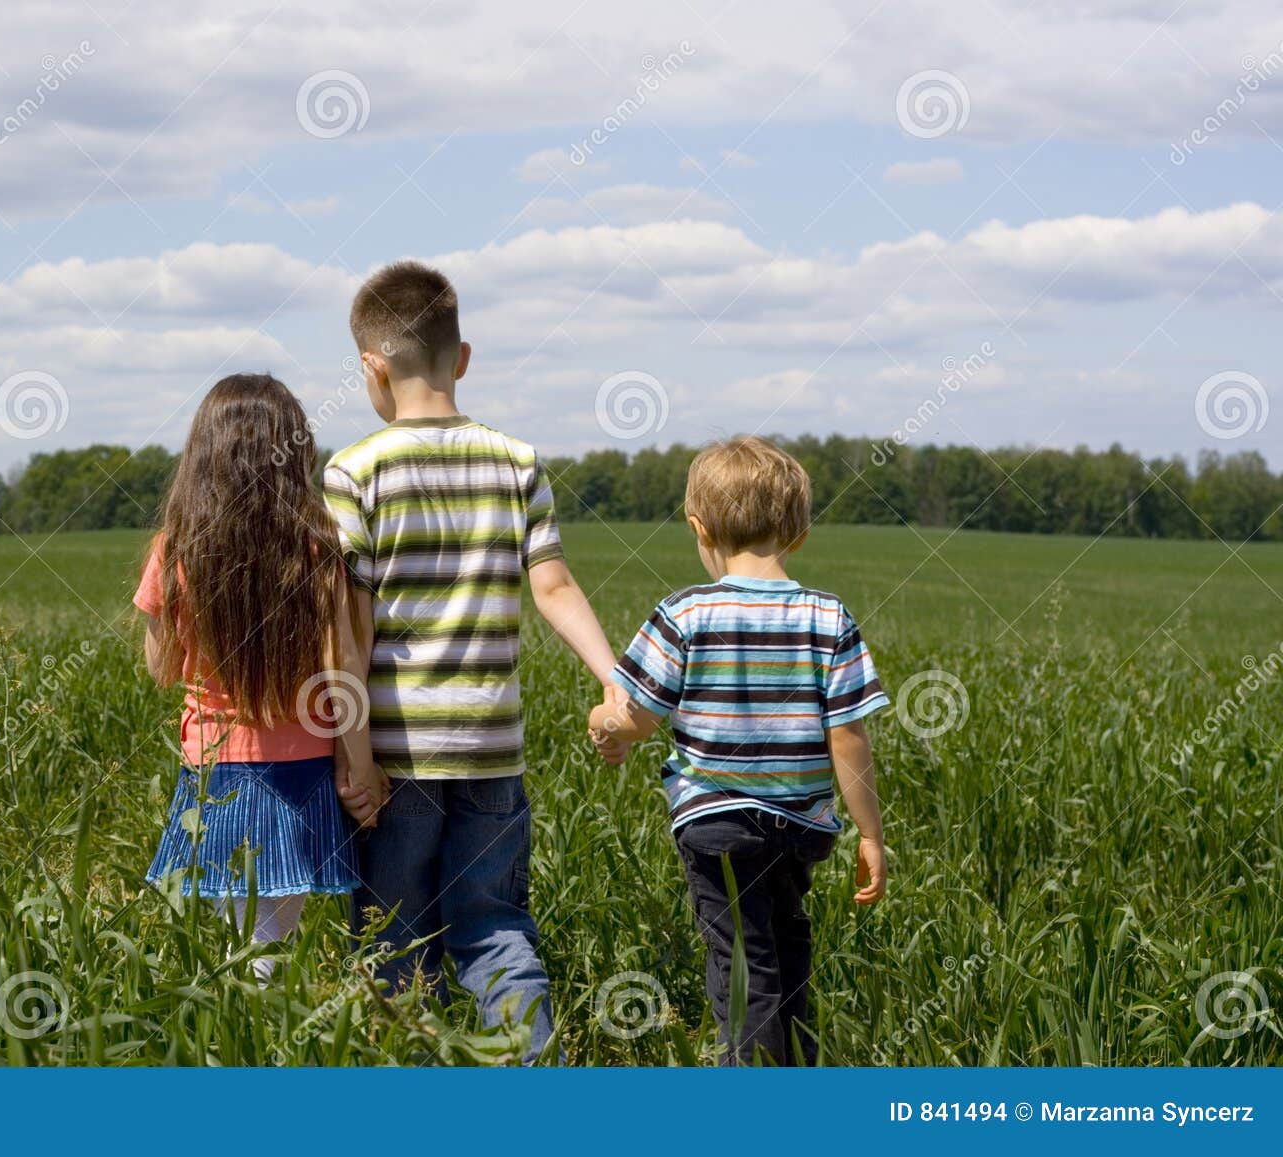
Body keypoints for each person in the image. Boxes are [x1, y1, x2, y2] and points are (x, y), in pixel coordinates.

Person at [323, 261, 621, 1061]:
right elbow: (554, 586)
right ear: (461, 357)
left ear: (371, 367)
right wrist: (611, 676)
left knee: (393, 942)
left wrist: (355, 757)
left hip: (397, 757)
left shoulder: (355, 471)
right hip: (493, 749)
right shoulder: (516, 461)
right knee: (494, 926)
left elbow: (348, 634)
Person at [588, 435, 888, 1065]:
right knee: (787, 950)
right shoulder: (829, 618)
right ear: (799, 534)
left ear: (698, 528)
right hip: (801, 827)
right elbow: (848, 736)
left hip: (715, 824)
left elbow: (636, 718)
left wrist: (604, 723)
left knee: (743, 967)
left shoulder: (685, 613)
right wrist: (870, 834)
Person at [136, 373, 388, 980]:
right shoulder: (313, 547)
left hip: (212, 770)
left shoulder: (175, 550)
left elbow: (161, 667)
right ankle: (258, 1027)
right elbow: (343, 668)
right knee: (269, 937)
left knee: (249, 938)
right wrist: (360, 766)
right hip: (301, 768)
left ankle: (242, 1026)